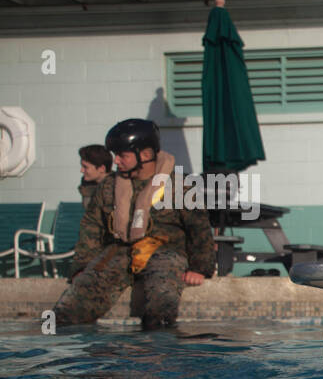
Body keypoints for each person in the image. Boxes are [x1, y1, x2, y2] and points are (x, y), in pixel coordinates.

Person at [53, 119, 215, 332]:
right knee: (64, 312)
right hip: (118, 253)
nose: (116, 161)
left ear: (146, 155)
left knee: (160, 307)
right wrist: (82, 267)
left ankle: (159, 351)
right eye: (115, 155)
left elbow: (199, 229)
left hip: (166, 253)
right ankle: (53, 342)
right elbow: (92, 227)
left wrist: (199, 268)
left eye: (122, 155)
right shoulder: (109, 186)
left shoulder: (180, 187)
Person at [77, 145, 114, 210]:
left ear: (102, 168)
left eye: (85, 167)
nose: (81, 171)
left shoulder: (118, 186)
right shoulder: (88, 183)